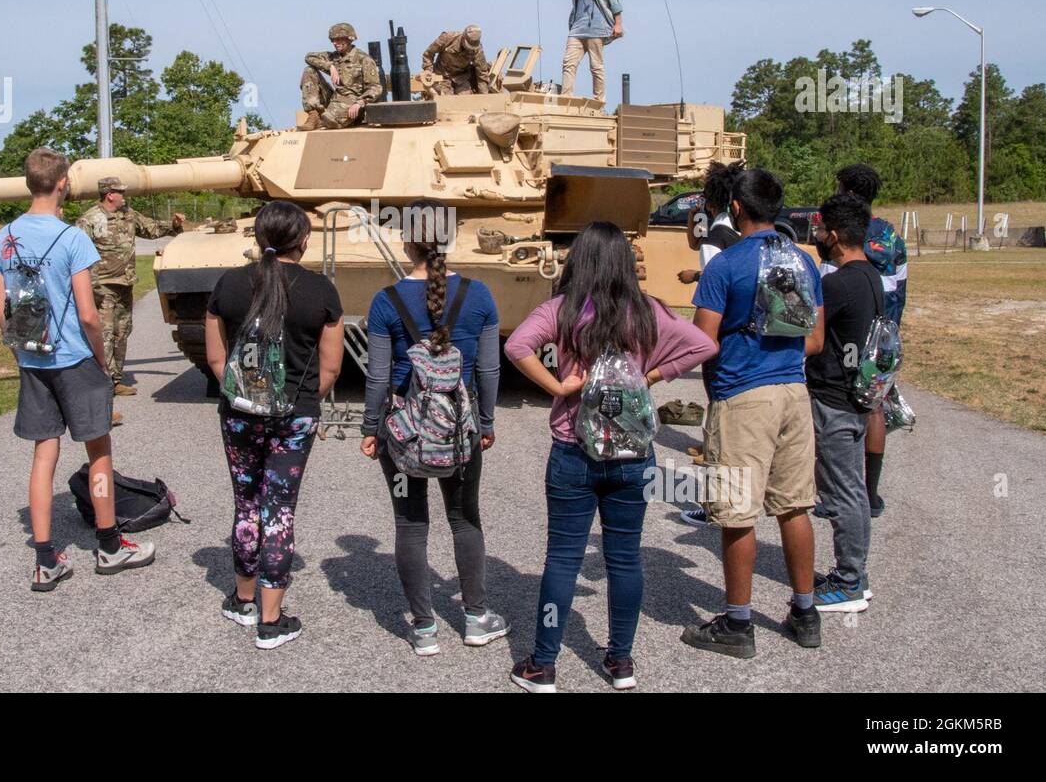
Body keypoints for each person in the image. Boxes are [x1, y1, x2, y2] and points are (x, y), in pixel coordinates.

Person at [505, 222, 717, 692]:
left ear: (577, 260)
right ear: (626, 263)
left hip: (572, 450)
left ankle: (542, 664)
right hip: (632, 454)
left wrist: (559, 387)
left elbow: (517, 346)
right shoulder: (649, 312)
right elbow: (705, 345)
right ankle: (620, 661)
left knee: (562, 559)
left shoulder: (561, 310)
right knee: (625, 560)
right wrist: (653, 375)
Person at [0, 148, 155, 592]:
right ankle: (109, 546)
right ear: (63, 182)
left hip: (32, 357)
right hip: (75, 359)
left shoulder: (5, 236)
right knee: (99, 452)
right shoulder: (72, 239)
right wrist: (102, 361)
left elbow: (1, 309)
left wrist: (20, 355)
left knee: (44, 455)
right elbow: (88, 314)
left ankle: (46, 559)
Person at [680, 167, 825, 659]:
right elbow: (816, 340)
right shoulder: (803, 262)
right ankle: (805, 613)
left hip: (744, 397)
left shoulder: (725, 265)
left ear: (736, 208)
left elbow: (701, 342)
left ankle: (738, 623)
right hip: (793, 393)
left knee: (737, 511)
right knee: (794, 506)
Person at [359, 200, 507, 656]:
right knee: (465, 520)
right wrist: (485, 422)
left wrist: (370, 427)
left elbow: (379, 376)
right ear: (450, 241)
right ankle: (476, 618)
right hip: (460, 433)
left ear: (407, 244)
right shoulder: (479, 295)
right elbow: (487, 369)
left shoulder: (385, 300)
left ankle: (423, 628)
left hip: (403, 435)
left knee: (410, 523)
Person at [205, 201, 345, 649]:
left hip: (239, 414)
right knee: (278, 508)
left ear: (257, 236)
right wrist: (301, 404)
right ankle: (271, 619)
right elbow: (332, 367)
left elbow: (215, 358)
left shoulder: (229, 283)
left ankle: (243, 600)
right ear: (303, 241)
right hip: (295, 416)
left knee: (246, 503)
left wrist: (245, 396)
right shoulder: (320, 290)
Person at [806, 192, 883, 613]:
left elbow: (809, 336)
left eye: (819, 231)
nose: (817, 237)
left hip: (834, 398)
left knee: (840, 493)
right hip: (855, 396)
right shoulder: (870, 276)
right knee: (852, 489)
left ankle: (849, 581)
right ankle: (855, 573)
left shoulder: (836, 284)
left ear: (833, 236)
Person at [830, 163, 907, 519]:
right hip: (883, 333)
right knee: (874, 406)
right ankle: (871, 493)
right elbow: (901, 289)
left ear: (846, 191)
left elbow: (829, 286)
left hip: (848, 331)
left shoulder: (846, 233)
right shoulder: (891, 236)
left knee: (837, 409)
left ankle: (838, 492)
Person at [76, 176, 185, 414]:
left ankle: (115, 380)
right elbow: (78, 253)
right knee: (103, 336)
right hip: (101, 287)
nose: (125, 196)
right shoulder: (90, 219)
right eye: (120, 192)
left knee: (122, 332)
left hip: (124, 284)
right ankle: (101, 385)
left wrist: (174, 225)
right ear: (109, 195)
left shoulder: (129, 214)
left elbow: (152, 229)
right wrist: (89, 287)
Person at [677, 160, 746, 522]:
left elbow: (717, 290)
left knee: (719, 420)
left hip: (721, 340)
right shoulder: (737, 233)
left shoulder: (715, 239)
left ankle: (713, 504)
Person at [558, 0, 624, 102]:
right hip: (577, 27)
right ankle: (566, 100)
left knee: (596, 66)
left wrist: (618, 23)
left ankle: (599, 102)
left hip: (597, 26)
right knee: (568, 63)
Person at [300, 22, 383, 129]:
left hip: (352, 101)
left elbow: (375, 88)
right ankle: (314, 115)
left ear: (349, 39)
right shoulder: (333, 57)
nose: (335, 43)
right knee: (309, 70)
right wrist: (329, 66)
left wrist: (359, 103)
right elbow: (309, 57)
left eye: (338, 40)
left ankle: (326, 119)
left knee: (330, 120)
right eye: (333, 40)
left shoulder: (364, 59)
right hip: (334, 97)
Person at [421, 25, 492, 95]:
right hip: (442, 76)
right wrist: (428, 71)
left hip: (461, 77)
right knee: (445, 99)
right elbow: (428, 54)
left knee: (467, 100)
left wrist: (484, 96)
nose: (469, 49)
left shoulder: (477, 49)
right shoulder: (447, 38)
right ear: (463, 37)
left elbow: (482, 72)